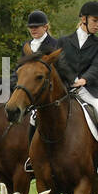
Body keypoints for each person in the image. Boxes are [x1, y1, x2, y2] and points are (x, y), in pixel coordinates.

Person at [58, 1, 98, 177]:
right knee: (37, 114)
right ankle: (32, 158)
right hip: (66, 89)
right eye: (95, 20)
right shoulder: (63, 41)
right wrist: (72, 79)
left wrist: (84, 79)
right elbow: (59, 62)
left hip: (90, 90)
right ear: (83, 19)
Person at [18, 10, 62, 174]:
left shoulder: (55, 45)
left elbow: (62, 70)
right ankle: (32, 158)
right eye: (31, 27)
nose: (33, 29)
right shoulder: (27, 46)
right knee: (32, 120)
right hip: (34, 94)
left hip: (53, 94)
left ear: (45, 27)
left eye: (37, 27)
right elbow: (21, 70)